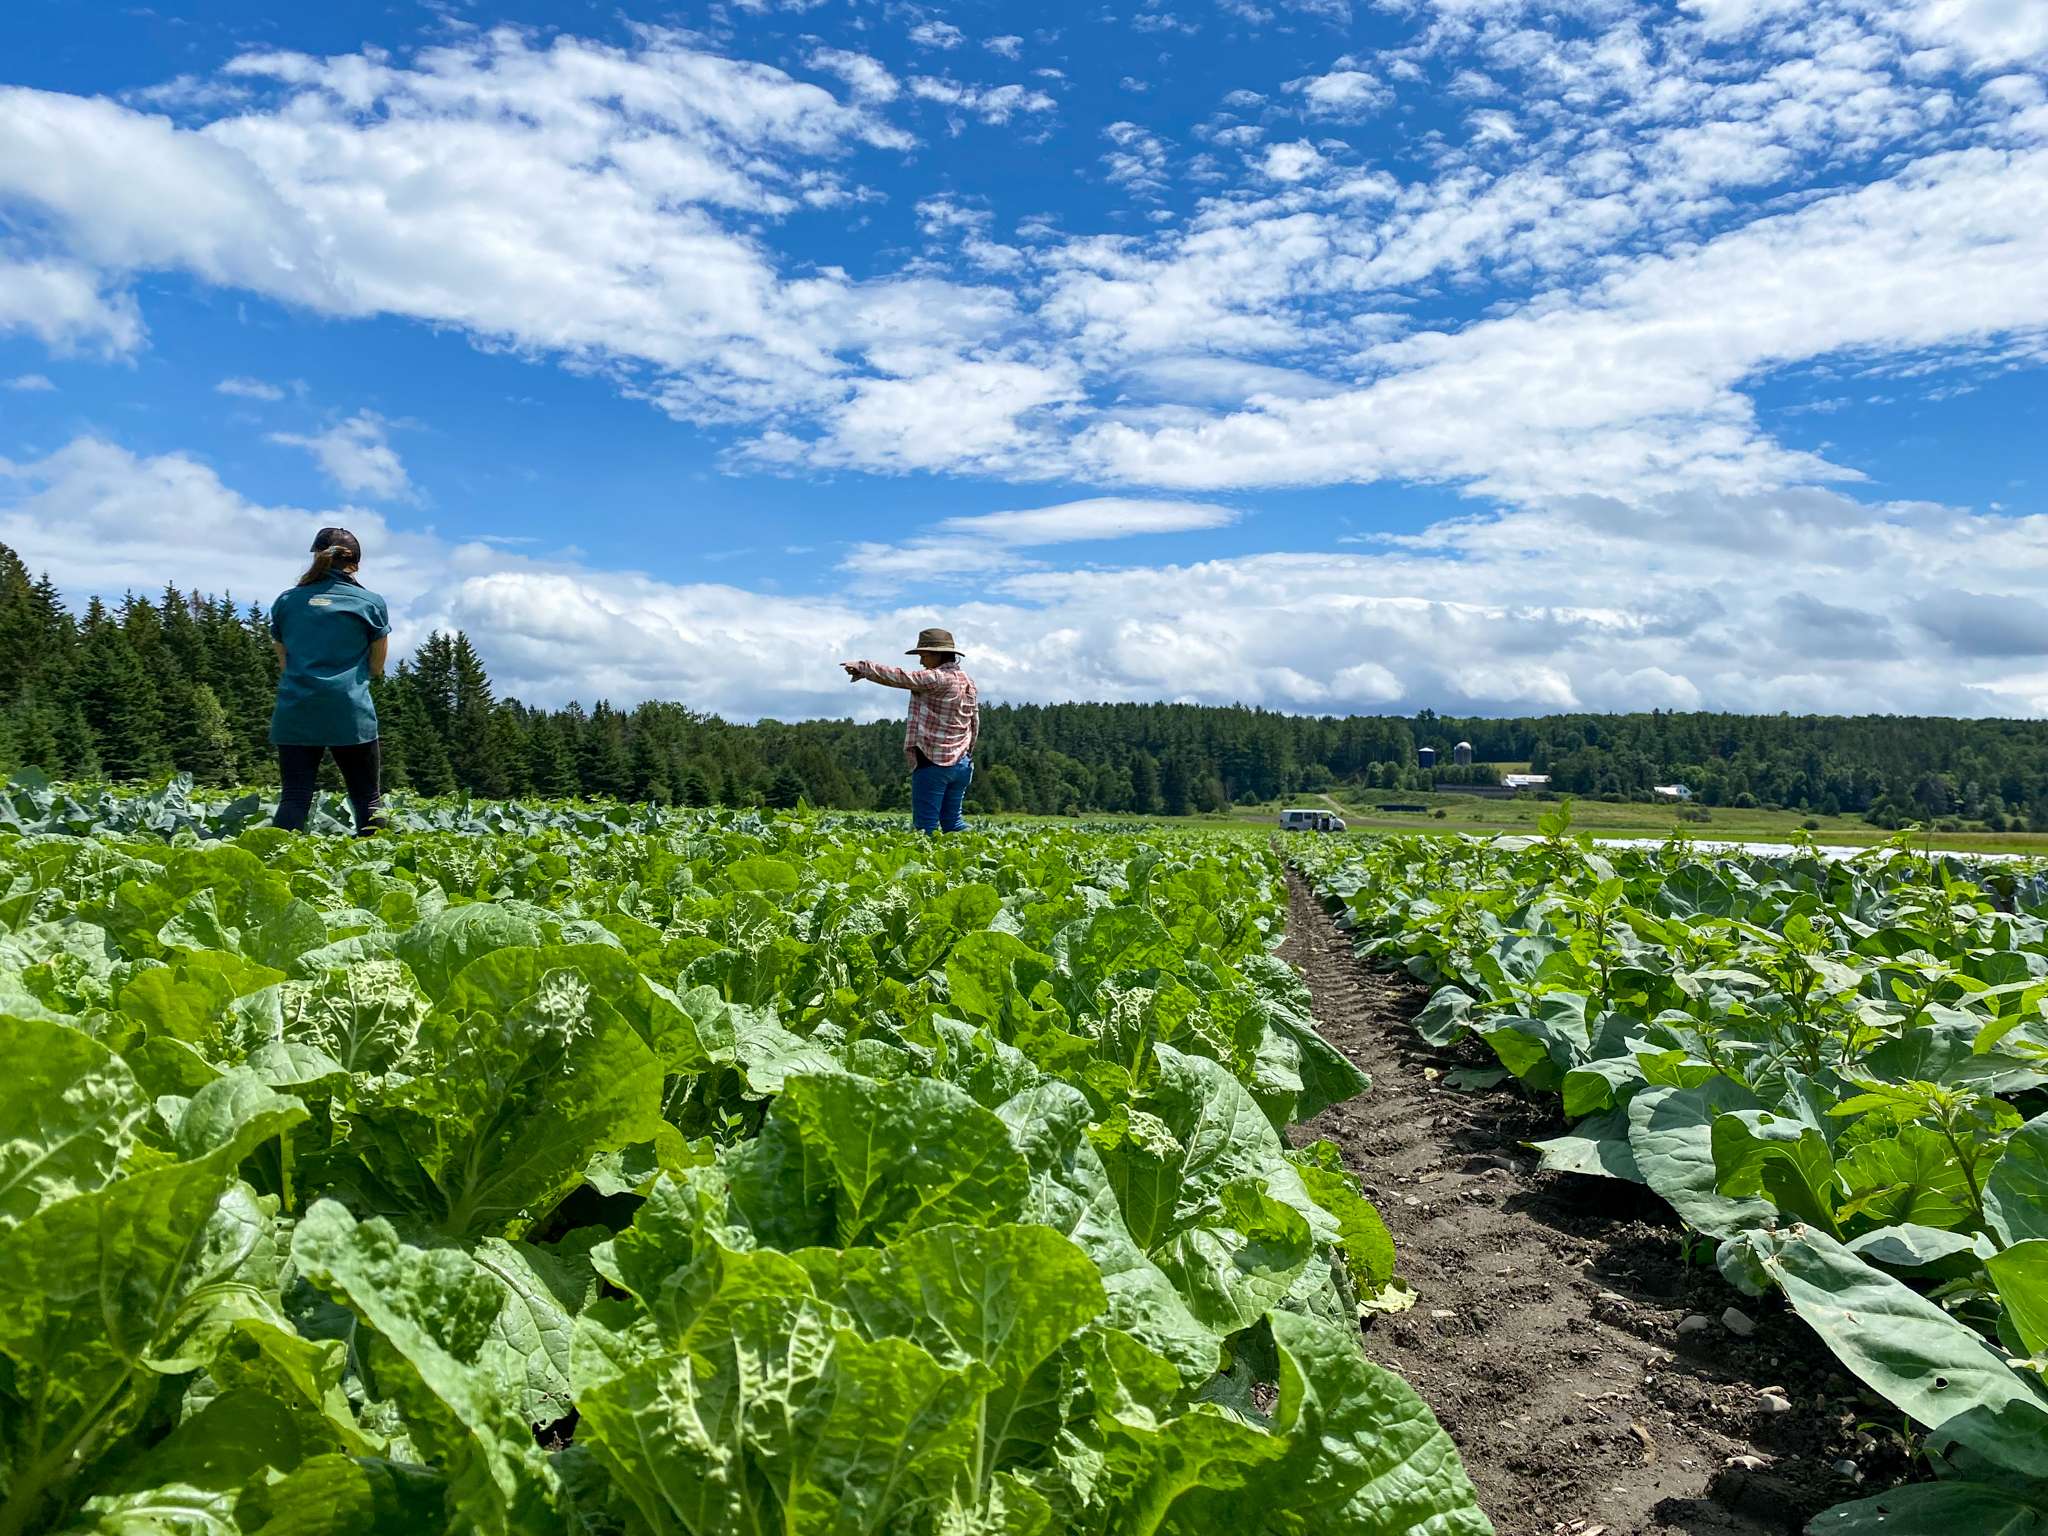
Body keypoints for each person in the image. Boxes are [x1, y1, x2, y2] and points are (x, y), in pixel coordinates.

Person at [267, 527, 391, 834]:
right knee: (368, 800)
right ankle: (380, 859)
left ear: (316, 557)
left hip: (297, 709)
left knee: (294, 797)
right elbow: (376, 667)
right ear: (355, 564)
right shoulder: (370, 603)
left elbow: (284, 662)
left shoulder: (287, 601)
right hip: (350, 710)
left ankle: (275, 860)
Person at [842, 627, 979, 833]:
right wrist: (967, 752)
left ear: (938, 654)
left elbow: (900, 677)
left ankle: (930, 857)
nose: (921, 661)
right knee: (954, 824)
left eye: (924, 655)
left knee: (925, 829)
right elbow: (974, 721)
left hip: (934, 762)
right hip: (962, 763)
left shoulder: (937, 678)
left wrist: (864, 667)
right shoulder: (968, 681)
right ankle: (981, 849)